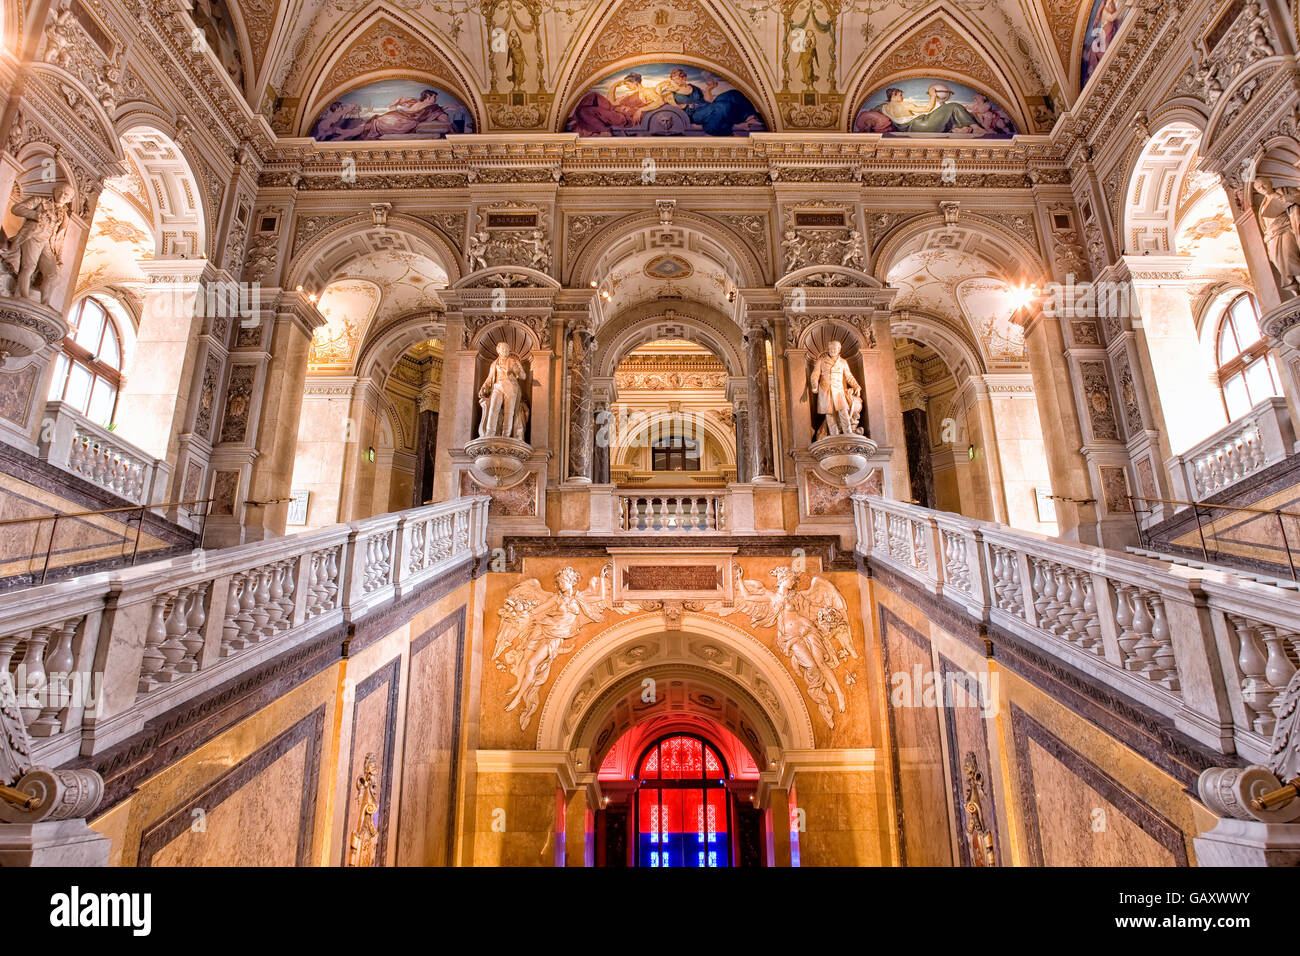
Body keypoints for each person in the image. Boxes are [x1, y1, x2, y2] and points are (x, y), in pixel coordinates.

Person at [659, 68, 763, 136]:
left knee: (733, 94)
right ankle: (730, 126)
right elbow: (673, 106)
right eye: (674, 79)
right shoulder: (671, 92)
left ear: (684, 78)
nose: (676, 81)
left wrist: (709, 89)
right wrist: (683, 105)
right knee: (722, 106)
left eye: (678, 78)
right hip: (695, 113)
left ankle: (750, 118)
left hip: (707, 106)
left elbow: (707, 100)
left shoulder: (693, 87)